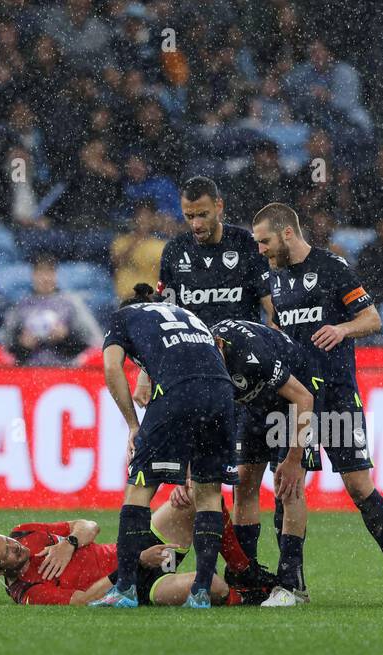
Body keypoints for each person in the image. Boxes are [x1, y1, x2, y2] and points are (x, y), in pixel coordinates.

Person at [252, 202, 383, 605]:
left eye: (265, 241)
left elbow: (374, 319)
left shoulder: (333, 268)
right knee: (288, 485)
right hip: (293, 398)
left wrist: (343, 328)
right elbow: (279, 329)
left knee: (359, 486)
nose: (261, 249)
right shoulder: (274, 280)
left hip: (337, 395)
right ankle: (292, 584)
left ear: (287, 233)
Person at [154, 177, 276, 564]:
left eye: (203, 214)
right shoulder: (175, 252)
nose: (196, 223)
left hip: (245, 379)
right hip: (195, 380)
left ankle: (246, 570)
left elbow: (270, 305)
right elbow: (166, 316)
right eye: (189, 216)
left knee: (243, 482)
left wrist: (279, 345)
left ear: (219, 207)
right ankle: (189, 569)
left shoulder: (245, 246)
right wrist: (146, 373)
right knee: (198, 485)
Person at [94, 286, 235, 609]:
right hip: (221, 390)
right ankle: (200, 592)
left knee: (139, 488)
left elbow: (112, 367)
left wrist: (133, 424)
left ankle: (126, 588)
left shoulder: (123, 317)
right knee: (209, 492)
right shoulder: (188, 315)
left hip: (178, 391)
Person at [0, 499, 270, 607]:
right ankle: (248, 597)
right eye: (10, 553)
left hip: (139, 549)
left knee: (197, 497)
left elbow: (89, 525)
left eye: (8, 541)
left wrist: (69, 542)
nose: (18, 546)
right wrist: (134, 565)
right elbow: (85, 599)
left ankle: (243, 571)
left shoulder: (25, 532)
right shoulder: (27, 592)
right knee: (213, 587)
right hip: (135, 584)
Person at [209, 318, 315, 607]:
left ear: (220, 346)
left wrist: (294, 458)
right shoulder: (204, 361)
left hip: (294, 401)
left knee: (289, 488)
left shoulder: (251, 354)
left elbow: (304, 398)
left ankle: (291, 586)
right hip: (254, 407)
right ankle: (247, 578)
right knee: (242, 483)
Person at [2, 256, 103, 366]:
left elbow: (93, 343)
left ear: (56, 274)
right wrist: (23, 346)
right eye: (40, 272)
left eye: (49, 272)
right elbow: (7, 350)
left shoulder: (71, 304)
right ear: (33, 275)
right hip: (30, 375)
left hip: (67, 374)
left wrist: (66, 338)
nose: (45, 278)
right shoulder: (21, 306)